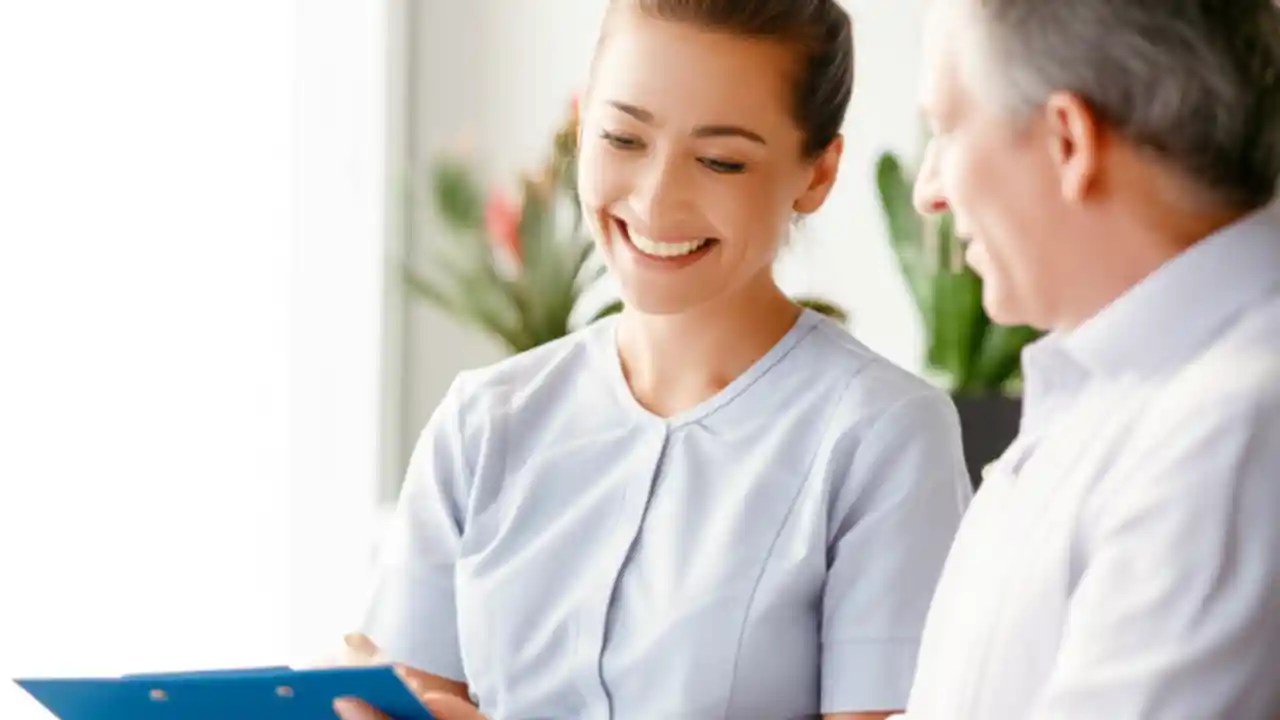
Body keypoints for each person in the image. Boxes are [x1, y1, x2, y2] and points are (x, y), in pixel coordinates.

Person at [334, 1, 972, 719]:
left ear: (817, 173)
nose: (657, 199)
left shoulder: (881, 436)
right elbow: (397, 698)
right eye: (623, 138)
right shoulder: (482, 423)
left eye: (721, 160)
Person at [896, 0, 1280, 718]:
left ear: (1067, 140)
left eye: (946, 129)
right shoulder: (1115, 405)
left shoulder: (1232, 433)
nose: (929, 193)